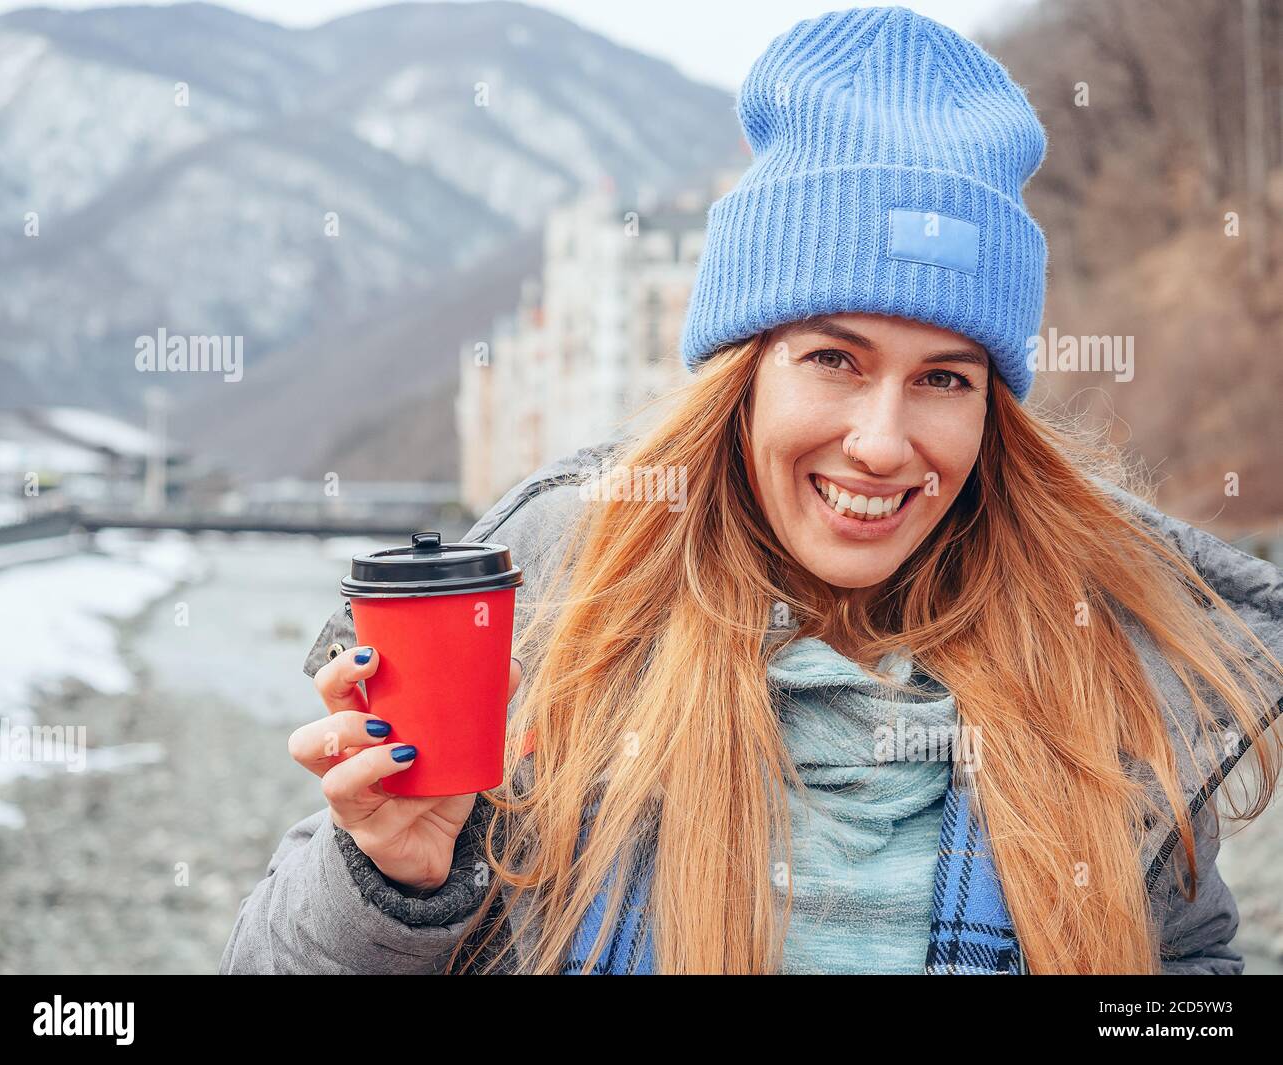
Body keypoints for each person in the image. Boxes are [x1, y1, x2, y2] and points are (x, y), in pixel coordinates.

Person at [220, 6, 1283, 975]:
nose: (881, 443)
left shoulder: (1100, 666)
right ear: (741, 376)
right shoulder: (548, 636)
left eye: (943, 379)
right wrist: (395, 886)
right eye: (834, 359)